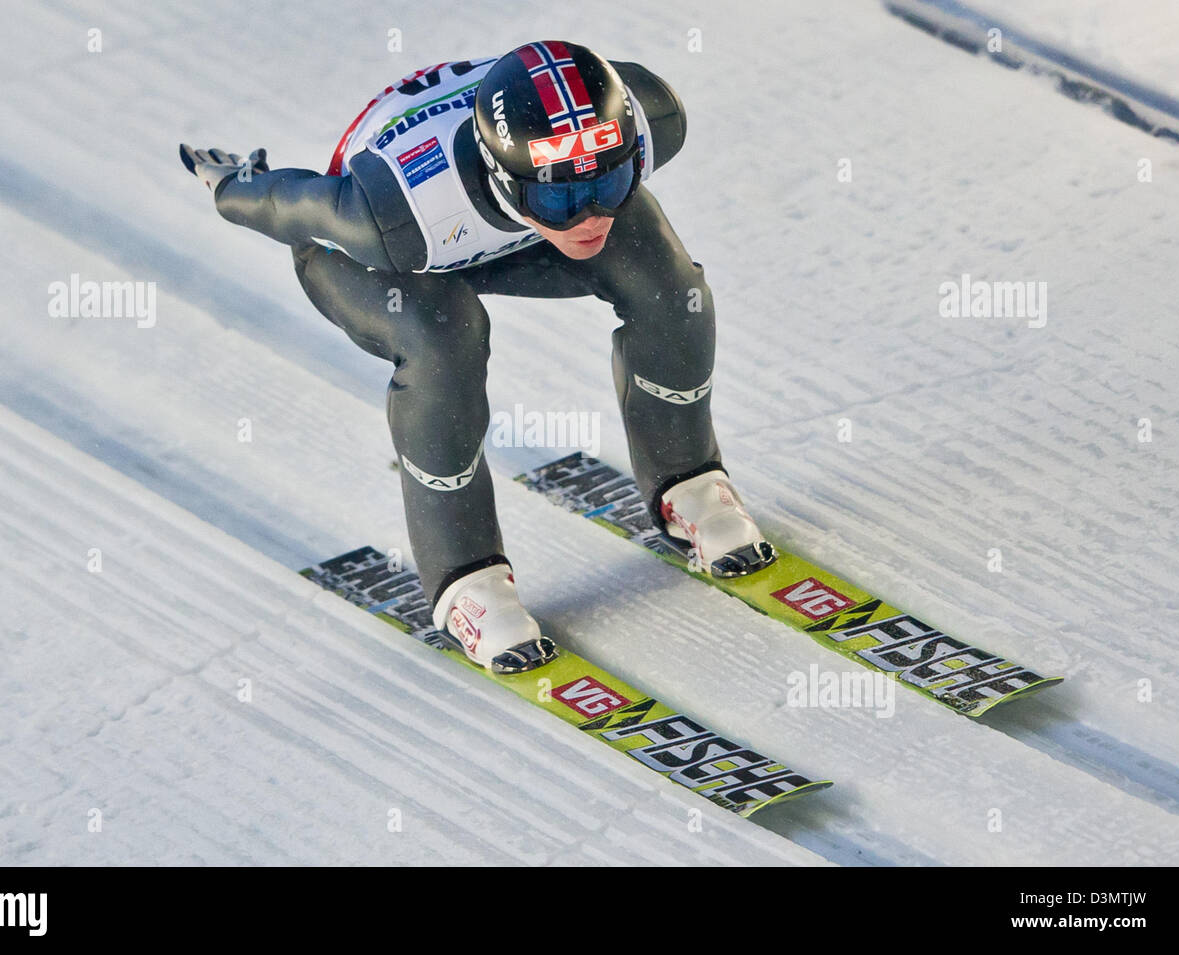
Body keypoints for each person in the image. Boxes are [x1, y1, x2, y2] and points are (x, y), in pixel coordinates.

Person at [180, 40, 775, 674]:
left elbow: (585, 189)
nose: (591, 215)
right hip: (391, 254)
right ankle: (467, 581)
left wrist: (569, 200)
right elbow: (281, 204)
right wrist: (232, 183)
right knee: (444, 339)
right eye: (561, 199)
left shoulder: (650, 117)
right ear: (499, 176)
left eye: (615, 179)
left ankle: (690, 483)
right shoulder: (391, 214)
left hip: (497, 225)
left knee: (669, 285)